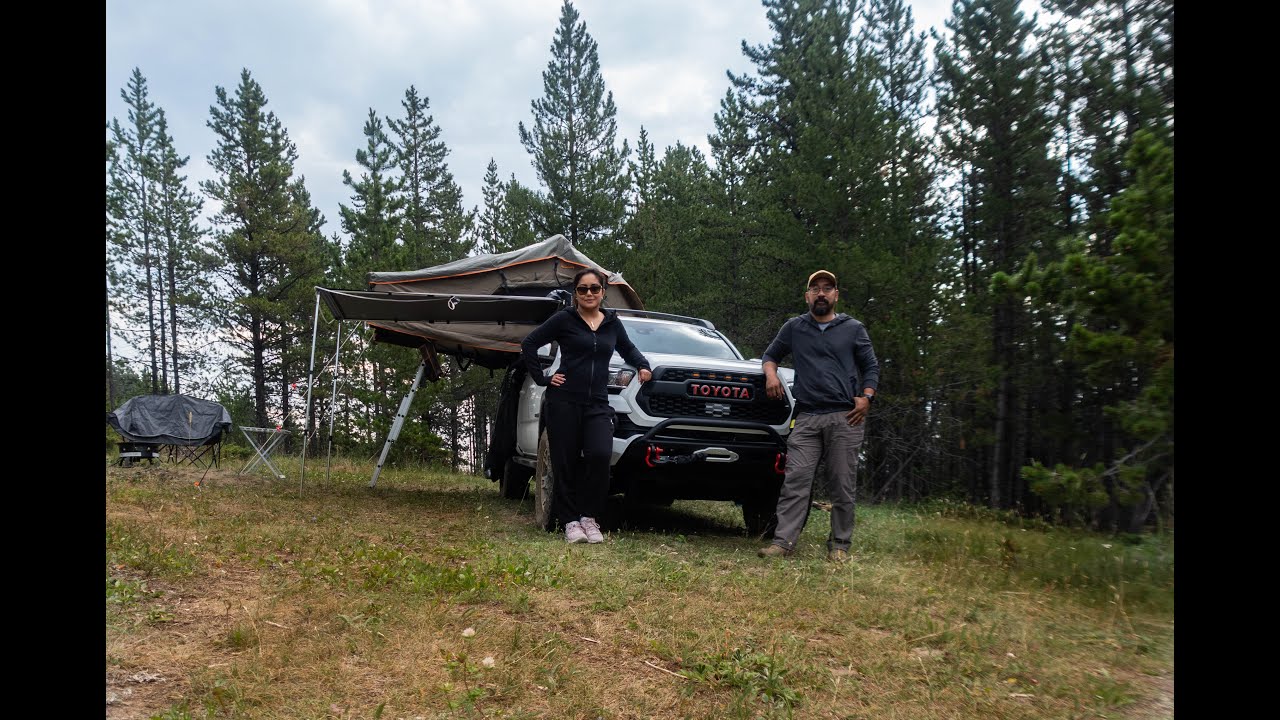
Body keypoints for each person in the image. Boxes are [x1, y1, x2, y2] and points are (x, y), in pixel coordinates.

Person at [520, 267, 652, 544]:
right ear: (575, 294)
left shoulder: (612, 322)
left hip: (597, 404)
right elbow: (529, 344)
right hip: (564, 400)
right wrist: (543, 378)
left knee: (600, 455)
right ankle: (570, 522)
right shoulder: (564, 320)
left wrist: (643, 364)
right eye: (583, 289)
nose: (589, 293)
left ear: (603, 292)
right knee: (565, 461)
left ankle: (589, 518)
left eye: (594, 288)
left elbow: (627, 348)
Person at [757, 269, 880, 562]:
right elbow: (770, 355)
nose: (821, 293)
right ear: (807, 296)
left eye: (827, 288)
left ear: (836, 295)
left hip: (845, 417)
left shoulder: (853, 328)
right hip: (808, 416)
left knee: (842, 482)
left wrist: (867, 398)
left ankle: (839, 545)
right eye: (815, 288)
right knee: (795, 480)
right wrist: (770, 376)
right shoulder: (794, 328)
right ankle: (783, 542)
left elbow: (871, 367)